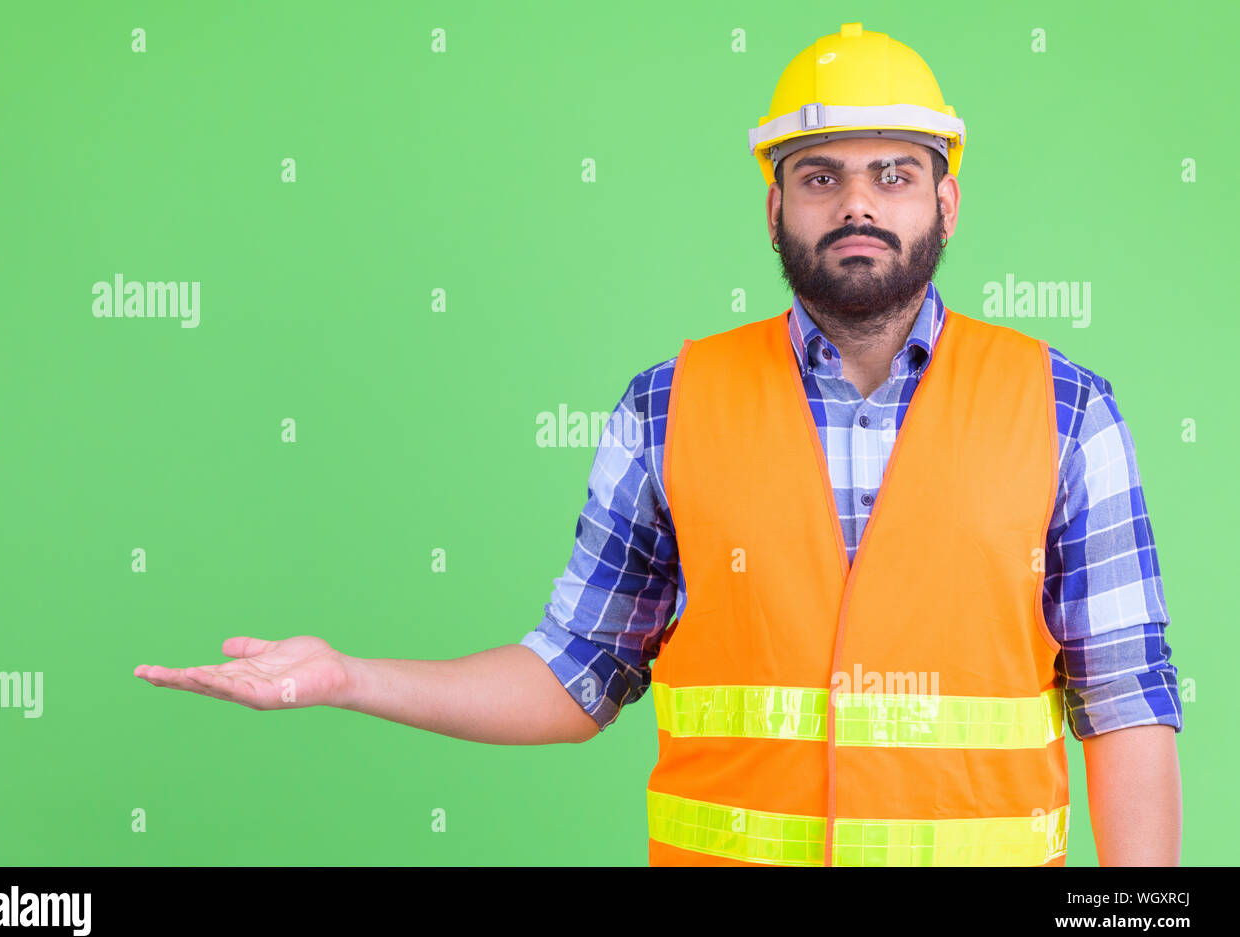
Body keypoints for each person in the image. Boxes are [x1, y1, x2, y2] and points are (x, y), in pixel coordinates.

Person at [135, 23, 1182, 866]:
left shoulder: (1063, 409)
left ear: (944, 200)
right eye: (819, 175)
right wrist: (351, 676)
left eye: (893, 172)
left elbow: (1126, 700)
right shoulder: (668, 405)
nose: (856, 200)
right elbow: (575, 672)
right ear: (774, 205)